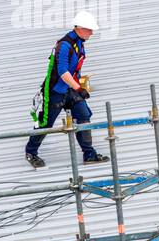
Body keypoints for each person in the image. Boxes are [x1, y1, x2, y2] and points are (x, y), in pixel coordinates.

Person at [25, 10, 108, 169]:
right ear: (80, 28)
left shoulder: (79, 43)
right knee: (46, 124)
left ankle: (89, 154)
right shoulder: (64, 45)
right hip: (55, 91)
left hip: (70, 89)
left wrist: (77, 87)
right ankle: (31, 152)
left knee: (83, 115)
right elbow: (63, 72)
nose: (91, 33)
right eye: (89, 29)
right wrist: (79, 88)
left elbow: (74, 70)